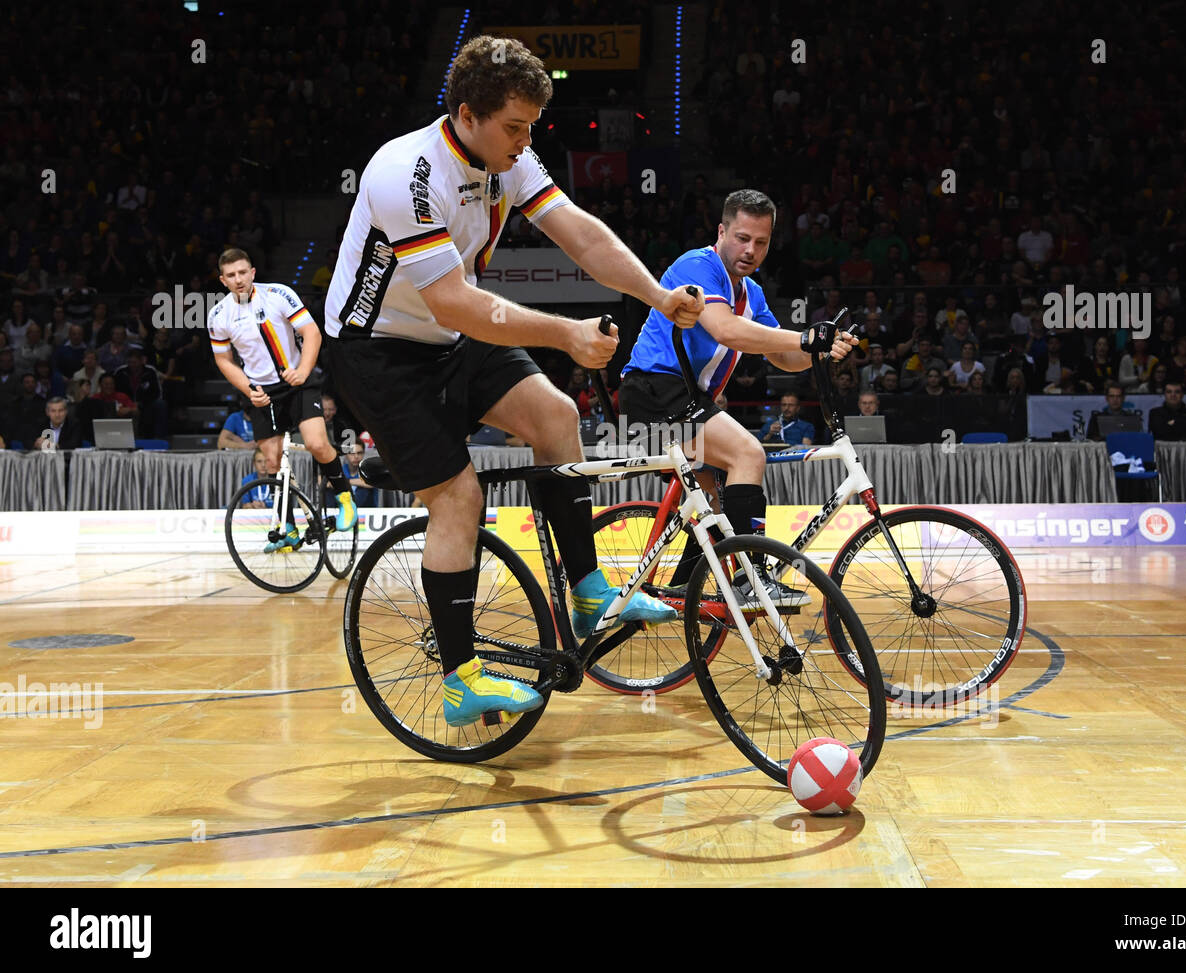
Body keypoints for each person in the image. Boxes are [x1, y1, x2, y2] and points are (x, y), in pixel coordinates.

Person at [322, 36, 703, 727]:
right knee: (458, 500)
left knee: (557, 417)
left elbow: (582, 236)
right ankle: (461, 677)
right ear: (467, 115)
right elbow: (456, 303)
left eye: (533, 127)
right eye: (515, 127)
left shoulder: (508, 158)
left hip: (445, 338)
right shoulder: (405, 173)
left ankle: (586, 590)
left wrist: (655, 294)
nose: (527, 143)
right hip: (375, 351)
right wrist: (564, 333)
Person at [620, 189, 849, 600]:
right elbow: (725, 329)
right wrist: (804, 336)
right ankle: (750, 580)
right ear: (721, 231)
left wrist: (821, 350)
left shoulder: (753, 293)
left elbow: (783, 356)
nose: (751, 250)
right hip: (654, 393)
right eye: (742, 238)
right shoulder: (697, 265)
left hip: (685, 400)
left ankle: (684, 591)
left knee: (715, 512)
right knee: (748, 454)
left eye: (761, 242)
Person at [208, 247, 357, 548]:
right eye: (231, 275)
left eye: (242, 272)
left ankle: (345, 499)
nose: (238, 279)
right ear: (222, 280)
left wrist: (303, 371)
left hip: (298, 381)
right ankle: (288, 528)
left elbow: (312, 333)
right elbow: (224, 360)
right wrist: (249, 389)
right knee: (272, 461)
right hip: (262, 392)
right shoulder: (218, 315)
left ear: (252, 273)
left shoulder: (278, 294)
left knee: (316, 443)